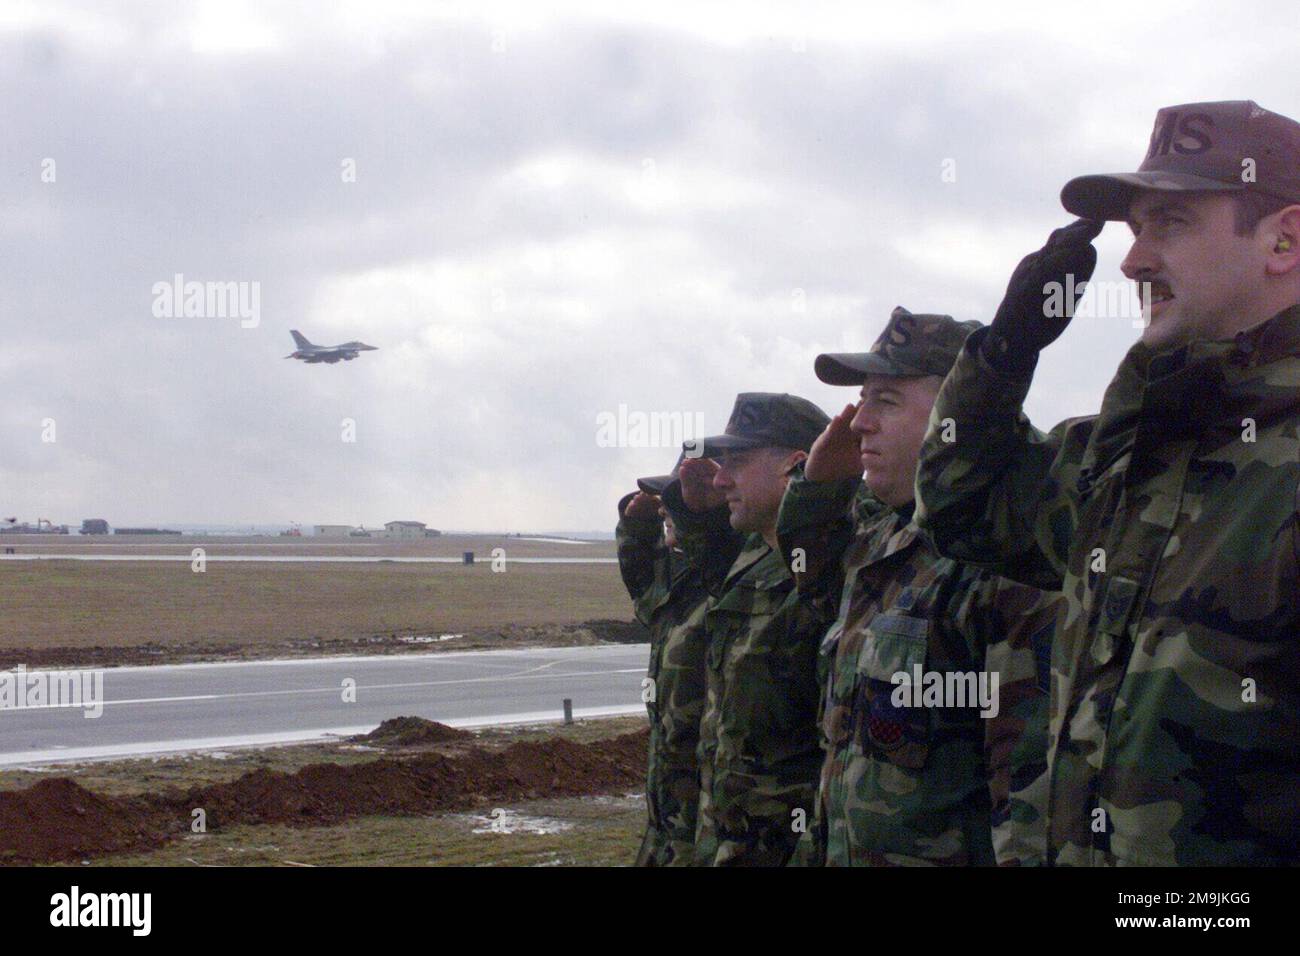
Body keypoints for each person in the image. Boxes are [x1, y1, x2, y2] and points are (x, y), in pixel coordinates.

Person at [915, 100, 1300, 865]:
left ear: (1284, 239)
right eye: (1134, 229)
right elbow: (962, 508)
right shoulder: (1129, 455)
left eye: (1172, 223)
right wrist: (1003, 351)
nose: (1132, 261)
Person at [777, 307, 1059, 865]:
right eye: (863, 400)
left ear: (962, 409)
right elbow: (811, 581)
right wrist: (815, 488)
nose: (858, 422)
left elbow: (1032, 807)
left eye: (886, 400)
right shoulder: (886, 534)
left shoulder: (1012, 559)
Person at [661, 392, 831, 865]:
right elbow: (700, 570)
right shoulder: (754, 559)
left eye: (737, 461)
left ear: (794, 467)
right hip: (728, 842)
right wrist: (690, 508)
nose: (720, 477)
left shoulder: (838, 572)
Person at [617, 454, 739, 865]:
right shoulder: (682, 584)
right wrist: (637, 529)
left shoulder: (728, 582)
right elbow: (646, 593)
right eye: (667, 498)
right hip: (669, 817)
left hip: (704, 819)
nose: (669, 506)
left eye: (683, 496)